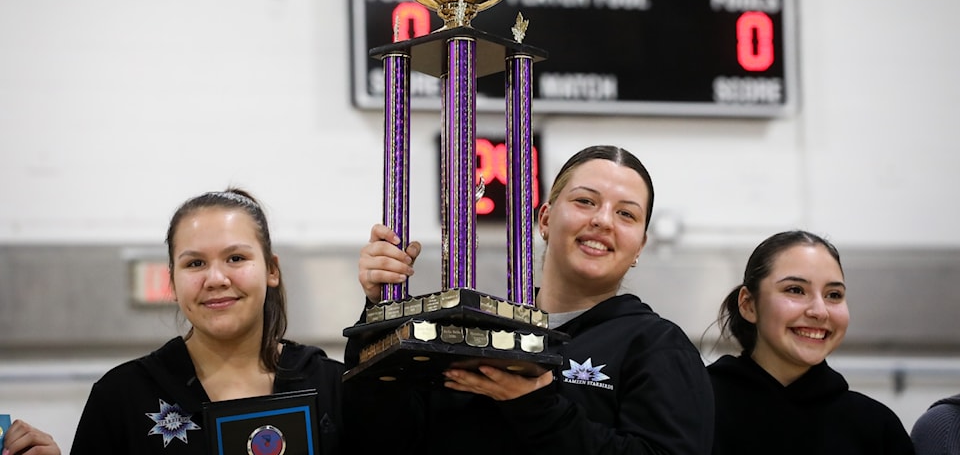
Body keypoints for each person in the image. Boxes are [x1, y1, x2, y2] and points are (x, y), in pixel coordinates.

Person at [349, 145, 715, 454]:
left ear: (640, 247)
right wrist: (381, 319)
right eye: (586, 201)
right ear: (545, 219)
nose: (603, 221)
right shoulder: (471, 334)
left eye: (626, 214)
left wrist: (538, 408)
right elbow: (379, 437)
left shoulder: (656, 348)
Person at [69, 188, 347, 454]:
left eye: (235, 258)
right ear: (173, 283)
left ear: (272, 269)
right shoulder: (122, 397)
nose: (215, 279)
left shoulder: (332, 386)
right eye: (195, 264)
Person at [708, 230, 914, 455]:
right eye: (795, 290)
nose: (820, 311)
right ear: (748, 305)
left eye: (833, 295)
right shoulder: (694, 406)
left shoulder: (875, 427)